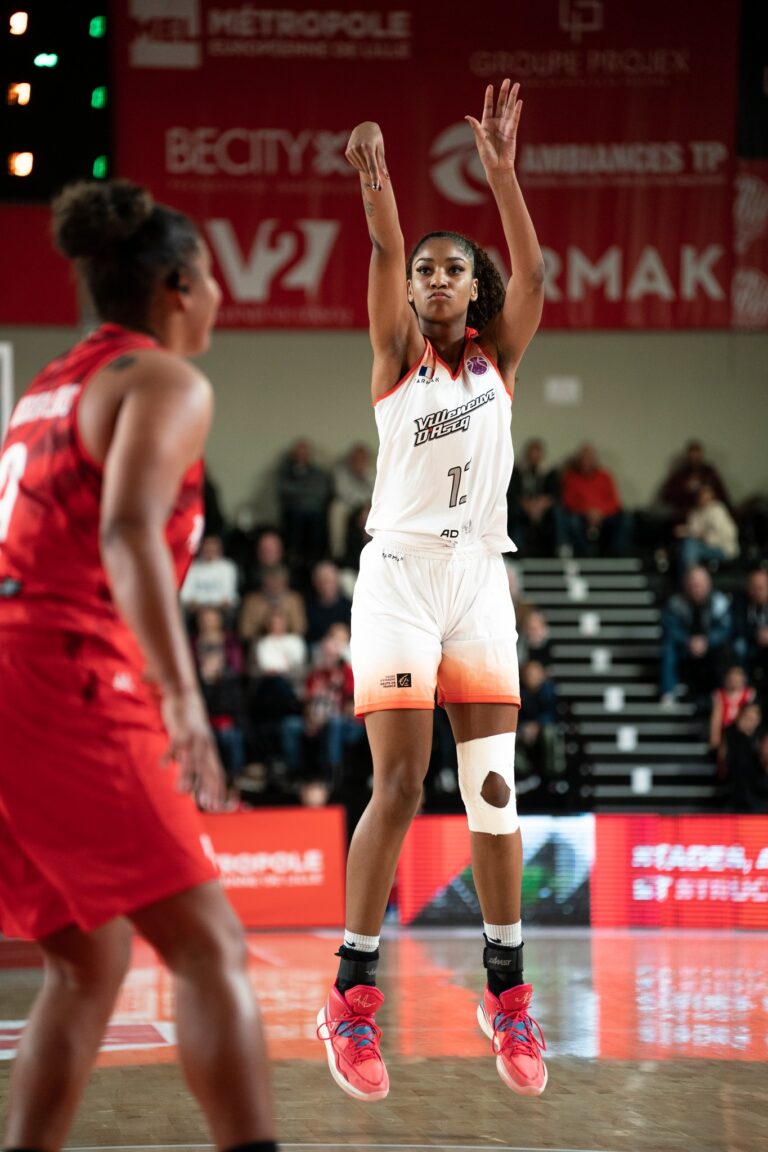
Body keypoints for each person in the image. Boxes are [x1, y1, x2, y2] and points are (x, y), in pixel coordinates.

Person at [0, 180, 276, 1151]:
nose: (220, 301)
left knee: (87, 960)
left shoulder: (48, 384)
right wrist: (184, 699)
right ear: (178, 284)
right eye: (212, 280)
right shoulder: (164, 381)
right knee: (212, 949)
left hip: (11, 676)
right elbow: (123, 530)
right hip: (62, 673)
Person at [316, 81, 547, 1101]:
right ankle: (351, 999)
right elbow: (378, 249)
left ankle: (507, 995)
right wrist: (378, 184)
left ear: (476, 290)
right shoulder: (394, 362)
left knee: (494, 791)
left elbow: (535, 266)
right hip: (400, 579)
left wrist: (500, 171)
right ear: (412, 295)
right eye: (426, 270)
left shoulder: (500, 366)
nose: (437, 277)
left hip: (477, 580)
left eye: (455, 268)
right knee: (402, 785)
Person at [659, 565, 732, 707]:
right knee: (668, 646)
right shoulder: (676, 603)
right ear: (686, 585)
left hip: (710, 647)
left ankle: (721, 692)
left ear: (708, 584)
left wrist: (707, 641)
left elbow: (725, 629)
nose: (696, 588)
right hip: (685, 646)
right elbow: (670, 628)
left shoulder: (719, 602)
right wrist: (688, 641)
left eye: (700, 584)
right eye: (693, 584)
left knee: (729, 648)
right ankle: (668, 691)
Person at [560, 443, 631, 557]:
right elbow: (568, 501)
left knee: (625, 520)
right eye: (583, 458)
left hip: (604, 516)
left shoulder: (605, 476)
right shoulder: (571, 477)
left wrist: (599, 513)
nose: (586, 462)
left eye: (589, 458)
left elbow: (614, 502)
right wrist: (587, 512)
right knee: (572, 522)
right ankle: (585, 554)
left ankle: (618, 555)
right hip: (581, 516)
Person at [506, 437, 562, 556]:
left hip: (544, 512)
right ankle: (516, 550)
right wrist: (528, 505)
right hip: (523, 510)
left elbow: (555, 495)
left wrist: (541, 504)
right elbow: (513, 494)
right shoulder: (517, 471)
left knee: (557, 514)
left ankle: (559, 549)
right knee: (513, 512)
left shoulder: (550, 472)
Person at [674, 482, 739, 575]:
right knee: (685, 546)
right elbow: (694, 530)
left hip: (723, 549)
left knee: (690, 546)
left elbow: (728, 534)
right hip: (703, 547)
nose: (703, 498)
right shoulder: (695, 512)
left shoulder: (717, 510)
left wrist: (699, 535)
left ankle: (691, 578)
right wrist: (684, 531)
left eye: (706, 495)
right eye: (701, 495)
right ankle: (688, 578)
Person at [179, 532, 240, 620]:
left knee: (210, 616)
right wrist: (202, 606)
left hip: (220, 610)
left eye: (213, 546)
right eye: (207, 546)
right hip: (195, 610)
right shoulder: (191, 567)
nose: (210, 549)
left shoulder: (228, 567)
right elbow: (185, 596)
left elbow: (229, 597)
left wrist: (210, 606)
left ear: (219, 548)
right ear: (201, 547)